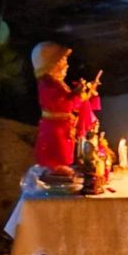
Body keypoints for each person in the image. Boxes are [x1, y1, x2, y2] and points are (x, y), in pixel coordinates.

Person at [31, 42, 101, 170]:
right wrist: (79, 94)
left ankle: (58, 174)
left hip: (62, 129)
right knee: (56, 160)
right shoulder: (48, 85)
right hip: (55, 131)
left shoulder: (56, 83)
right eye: (63, 60)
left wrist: (79, 92)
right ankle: (55, 178)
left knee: (62, 159)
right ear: (52, 64)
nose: (67, 65)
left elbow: (68, 100)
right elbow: (64, 104)